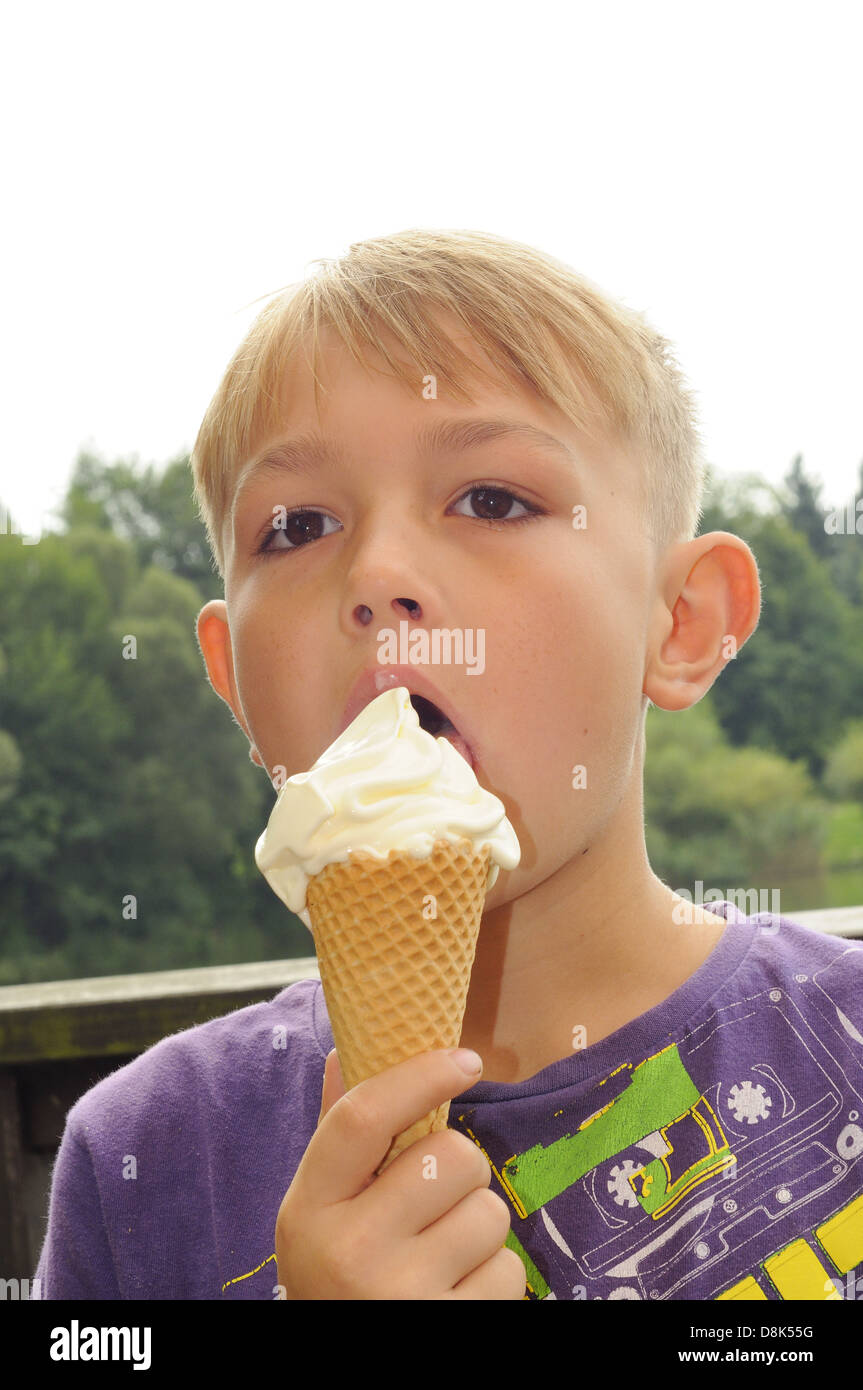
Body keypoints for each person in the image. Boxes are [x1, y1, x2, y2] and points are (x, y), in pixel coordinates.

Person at [35, 229, 863, 1301]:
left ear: (680, 621)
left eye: (490, 500)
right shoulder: (140, 1165)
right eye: (295, 526)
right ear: (232, 681)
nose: (376, 574)